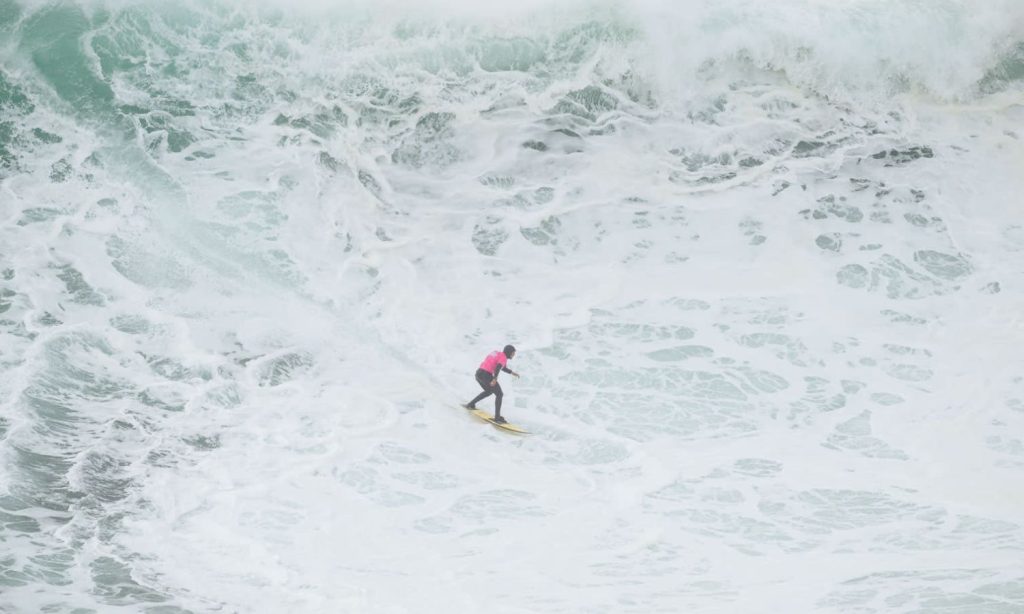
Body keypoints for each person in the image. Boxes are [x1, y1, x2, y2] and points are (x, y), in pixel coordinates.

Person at [465, 344, 520, 423]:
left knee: (488, 391)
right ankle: (497, 418)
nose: (513, 355)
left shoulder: (497, 353)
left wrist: (512, 372)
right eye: (513, 353)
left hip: (479, 373)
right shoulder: (503, 357)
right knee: (499, 394)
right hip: (486, 375)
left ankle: (471, 404)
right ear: (508, 352)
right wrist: (495, 379)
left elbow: (502, 367)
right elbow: (498, 367)